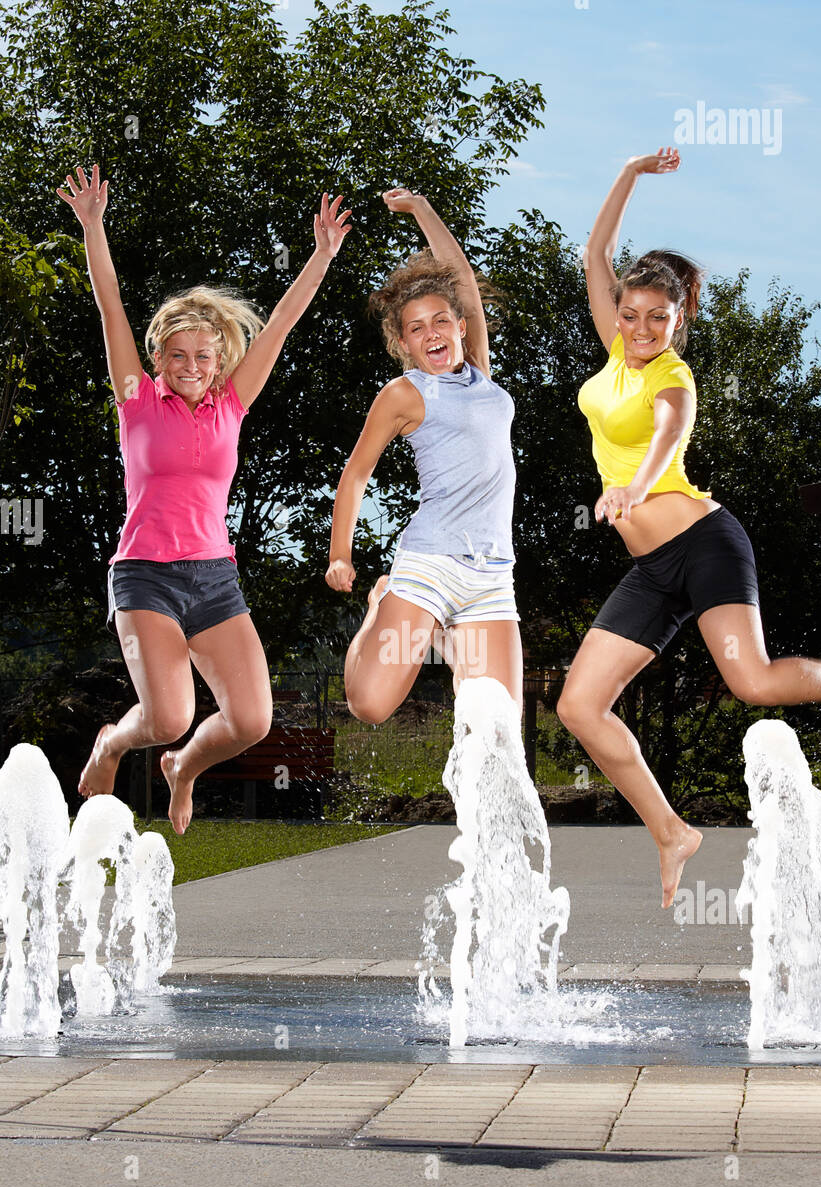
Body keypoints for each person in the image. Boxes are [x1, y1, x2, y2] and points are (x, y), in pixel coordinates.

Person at [557, 146, 821, 908]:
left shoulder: (673, 375)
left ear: (677, 318)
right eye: (629, 314)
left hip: (704, 543)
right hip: (651, 569)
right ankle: (671, 830)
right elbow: (594, 252)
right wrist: (627, 172)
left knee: (752, 680)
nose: (638, 327)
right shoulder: (616, 351)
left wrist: (631, 483)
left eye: (656, 318)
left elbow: (668, 434)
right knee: (577, 706)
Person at [58, 164, 351, 832]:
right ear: (158, 359)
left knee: (250, 720)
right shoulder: (136, 402)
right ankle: (112, 743)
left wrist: (321, 255)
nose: (191, 366)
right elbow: (110, 305)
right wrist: (93, 226)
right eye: (178, 355)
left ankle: (182, 768)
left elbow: (279, 324)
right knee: (166, 716)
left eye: (204, 357)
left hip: (214, 577)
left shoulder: (231, 405)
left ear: (219, 364)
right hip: (145, 577)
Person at [326, 188, 521, 720]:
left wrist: (423, 210)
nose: (431, 332)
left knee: (498, 722)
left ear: (460, 327)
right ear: (406, 345)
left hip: (491, 571)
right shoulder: (405, 393)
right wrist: (340, 554)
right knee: (370, 706)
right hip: (430, 560)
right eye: (416, 328)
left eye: (440, 321)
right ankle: (377, 609)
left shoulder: (478, 372)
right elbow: (356, 473)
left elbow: (461, 281)